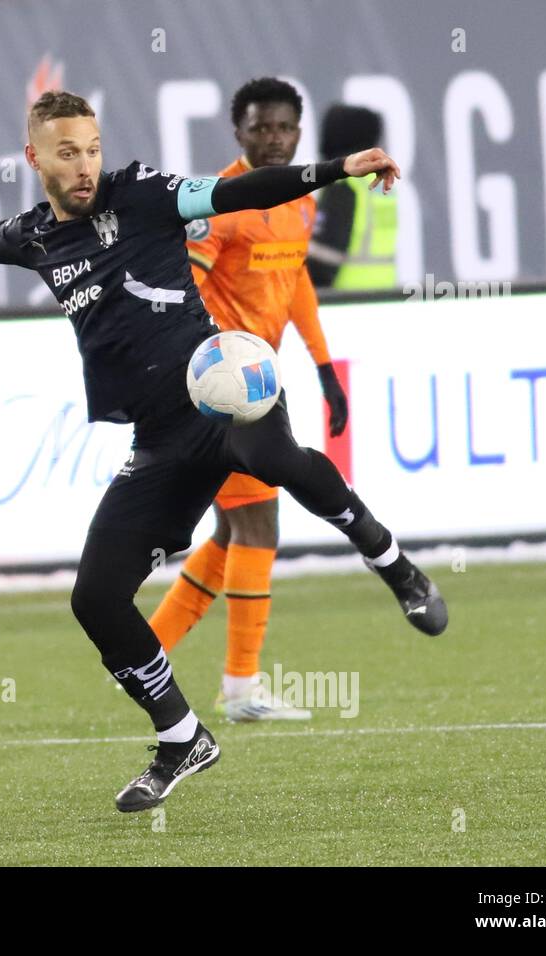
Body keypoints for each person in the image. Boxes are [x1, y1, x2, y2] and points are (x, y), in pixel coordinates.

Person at [0, 91, 447, 814]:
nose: (84, 166)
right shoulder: (32, 237)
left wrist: (333, 169)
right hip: (161, 440)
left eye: (91, 149)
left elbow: (240, 191)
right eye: (67, 152)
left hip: (221, 390)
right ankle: (182, 737)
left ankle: (390, 559)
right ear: (34, 159)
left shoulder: (143, 193)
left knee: (277, 461)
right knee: (96, 599)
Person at [149, 77, 348, 722]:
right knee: (259, 524)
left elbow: (294, 289)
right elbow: (187, 285)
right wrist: (194, 369)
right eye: (260, 128)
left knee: (233, 530)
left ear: (298, 133)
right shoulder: (223, 204)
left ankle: (144, 652)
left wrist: (323, 368)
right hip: (220, 389)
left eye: (283, 128)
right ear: (238, 132)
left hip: (262, 384)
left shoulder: (300, 199)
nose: (272, 139)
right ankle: (240, 687)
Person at [306, 104, 398, 289]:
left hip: (344, 298)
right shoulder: (380, 184)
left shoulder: (344, 186)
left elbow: (324, 258)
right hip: (383, 292)